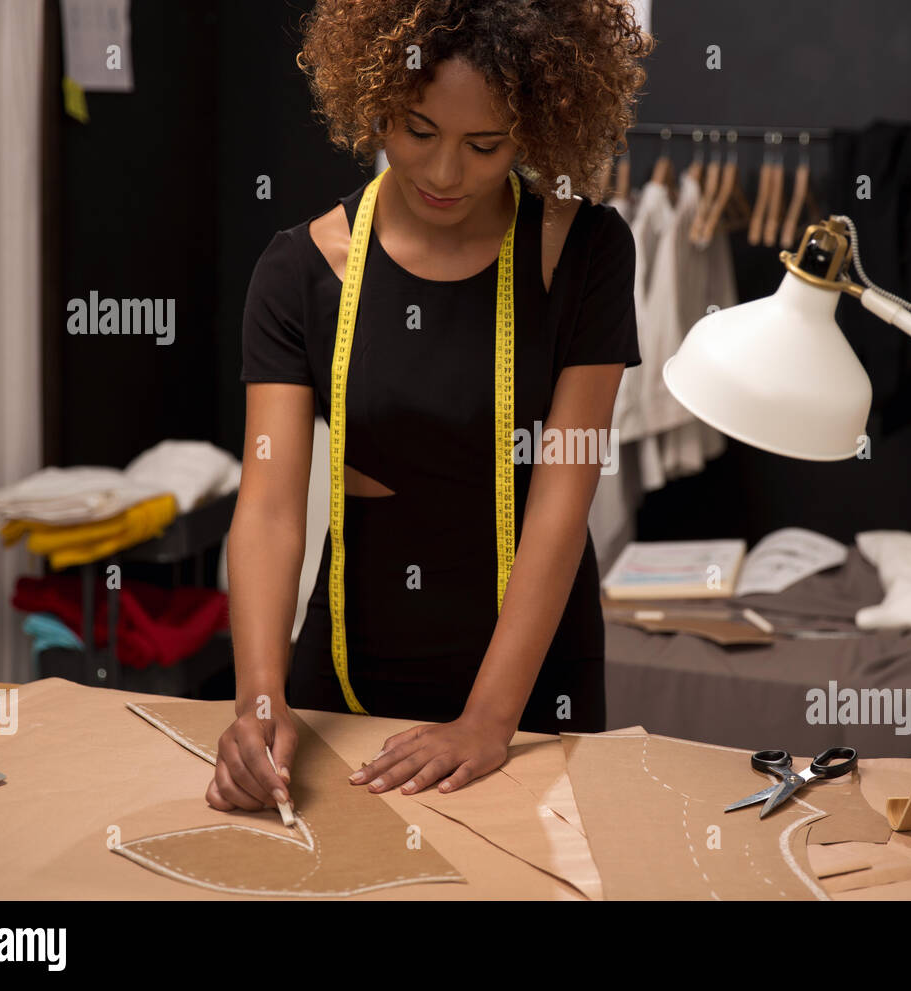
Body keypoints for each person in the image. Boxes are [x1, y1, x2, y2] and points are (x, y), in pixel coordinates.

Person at [208, 0, 652, 817]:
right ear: (371, 98)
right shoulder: (299, 273)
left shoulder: (582, 252)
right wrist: (259, 701)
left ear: (538, 125)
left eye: (486, 145)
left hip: (529, 694)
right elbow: (269, 505)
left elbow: (562, 497)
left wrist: (488, 720)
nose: (447, 173)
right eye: (417, 131)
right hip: (345, 676)